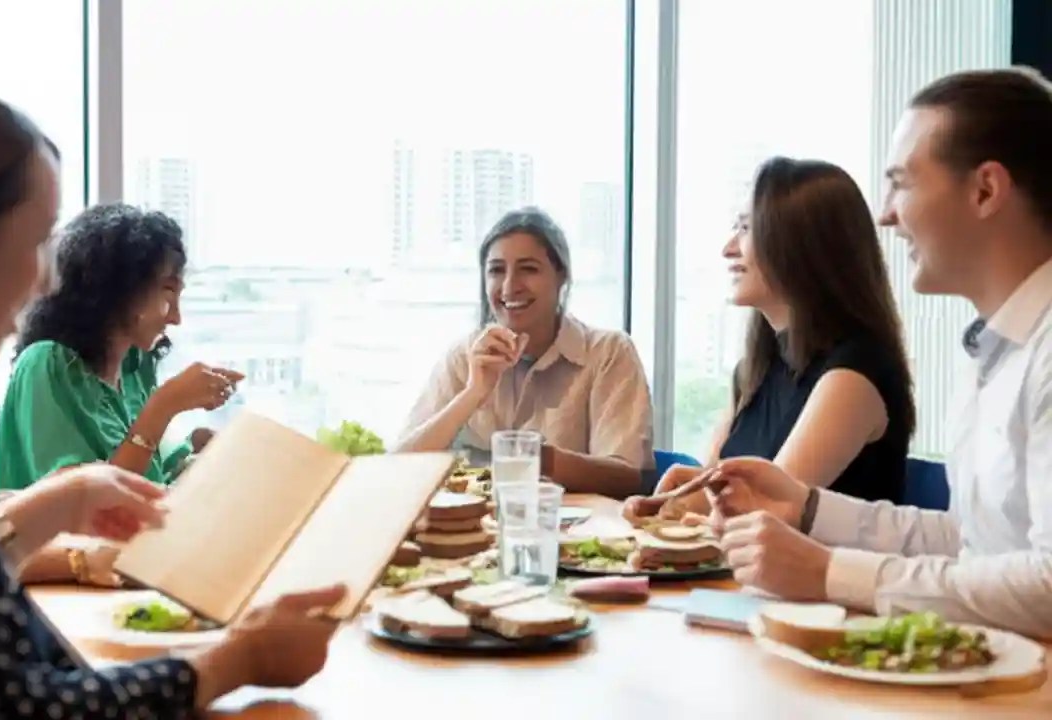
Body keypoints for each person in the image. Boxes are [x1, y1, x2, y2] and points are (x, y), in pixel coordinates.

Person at [0, 81, 342, 716]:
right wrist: (236, 660)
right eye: (38, 240)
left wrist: (53, 507)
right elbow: (14, 707)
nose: (46, 276)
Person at [707, 67, 1052, 640]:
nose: (886, 214)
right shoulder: (991, 352)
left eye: (901, 183)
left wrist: (832, 572)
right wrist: (808, 509)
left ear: (986, 190)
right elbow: (974, 543)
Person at [625, 158, 917, 521]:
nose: (729, 248)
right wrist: (664, 505)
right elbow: (702, 500)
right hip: (744, 575)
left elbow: (765, 512)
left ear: (800, 245)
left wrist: (689, 504)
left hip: (817, 577)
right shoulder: (755, 369)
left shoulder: (855, 373)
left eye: (746, 228)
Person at [399, 207, 653, 498]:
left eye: (528, 269)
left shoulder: (608, 352)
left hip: (571, 531)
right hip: (476, 533)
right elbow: (400, 468)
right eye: (496, 270)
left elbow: (628, 479)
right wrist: (473, 392)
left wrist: (530, 457)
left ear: (561, 277)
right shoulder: (464, 356)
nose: (509, 287)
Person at [0, 203, 242, 491]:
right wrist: (165, 405)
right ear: (119, 289)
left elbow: (154, 471)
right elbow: (89, 509)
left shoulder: (135, 366)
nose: (176, 317)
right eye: (168, 292)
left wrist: (202, 445)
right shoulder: (46, 366)